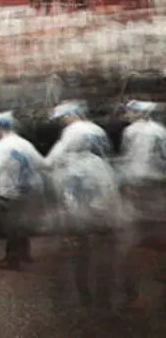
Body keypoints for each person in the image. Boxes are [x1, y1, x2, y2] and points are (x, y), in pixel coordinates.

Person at [48, 124, 123, 310]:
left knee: (81, 259)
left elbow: (65, 197)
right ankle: (103, 298)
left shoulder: (66, 166)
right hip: (102, 220)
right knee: (104, 259)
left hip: (79, 222)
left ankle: (84, 296)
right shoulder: (100, 163)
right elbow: (111, 191)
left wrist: (68, 222)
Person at [0, 111, 47, 270]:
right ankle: (25, 253)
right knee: (22, 221)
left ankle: (11, 259)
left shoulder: (0, 146)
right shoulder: (25, 143)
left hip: (9, 190)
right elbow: (41, 164)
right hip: (29, 189)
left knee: (11, 225)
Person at [117, 100, 166, 305]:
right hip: (157, 183)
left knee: (130, 237)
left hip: (135, 183)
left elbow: (127, 156)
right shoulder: (160, 131)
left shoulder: (130, 131)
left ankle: (130, 288)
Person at [46, 101, 111, 167]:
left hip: (79, 170)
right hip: (101, 169)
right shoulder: (97, 128)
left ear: (68, 116)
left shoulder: (73, 129)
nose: (61, 122)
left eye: (61, 119)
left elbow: (59, 152)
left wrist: (47, 163)